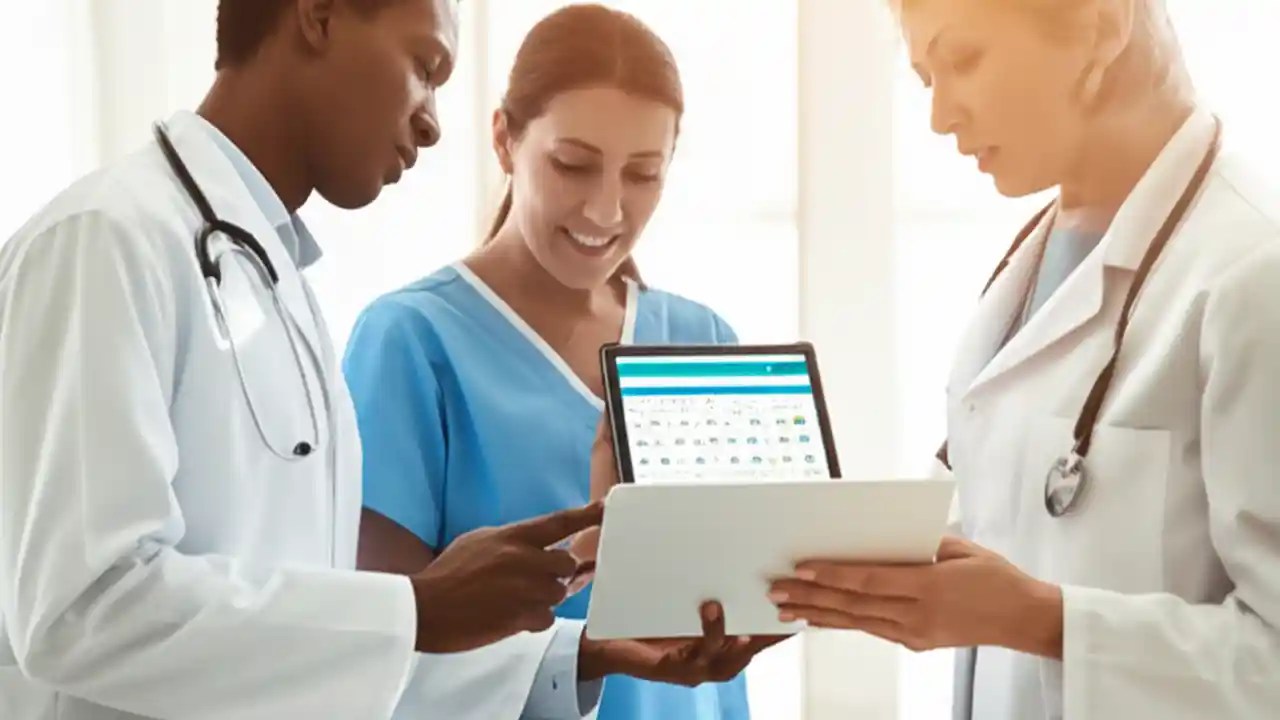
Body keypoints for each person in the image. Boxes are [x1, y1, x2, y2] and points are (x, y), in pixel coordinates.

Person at [0, 2, 747, 718]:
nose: (429, 121)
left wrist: (585, 653)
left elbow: (326, 651)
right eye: (425, 65)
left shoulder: (272, 285)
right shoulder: (105, 240)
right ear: (319, 14)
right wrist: (417, 607)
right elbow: (79, 610)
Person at [767, 0, 1280, 717]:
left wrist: (1038, 620)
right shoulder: (1030, 263)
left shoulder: (1256, 271)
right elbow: (992, 525)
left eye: (965, 61)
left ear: (1100, 29)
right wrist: (737, 563)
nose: (941, 117)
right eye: (925, 81)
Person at [343, 5, 773, 720]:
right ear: (505, 140)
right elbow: (382, 647)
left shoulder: (705, 339)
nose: (607, 210)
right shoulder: (411, 343)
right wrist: (588, 554)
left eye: (643, 174)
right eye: (573, 165)